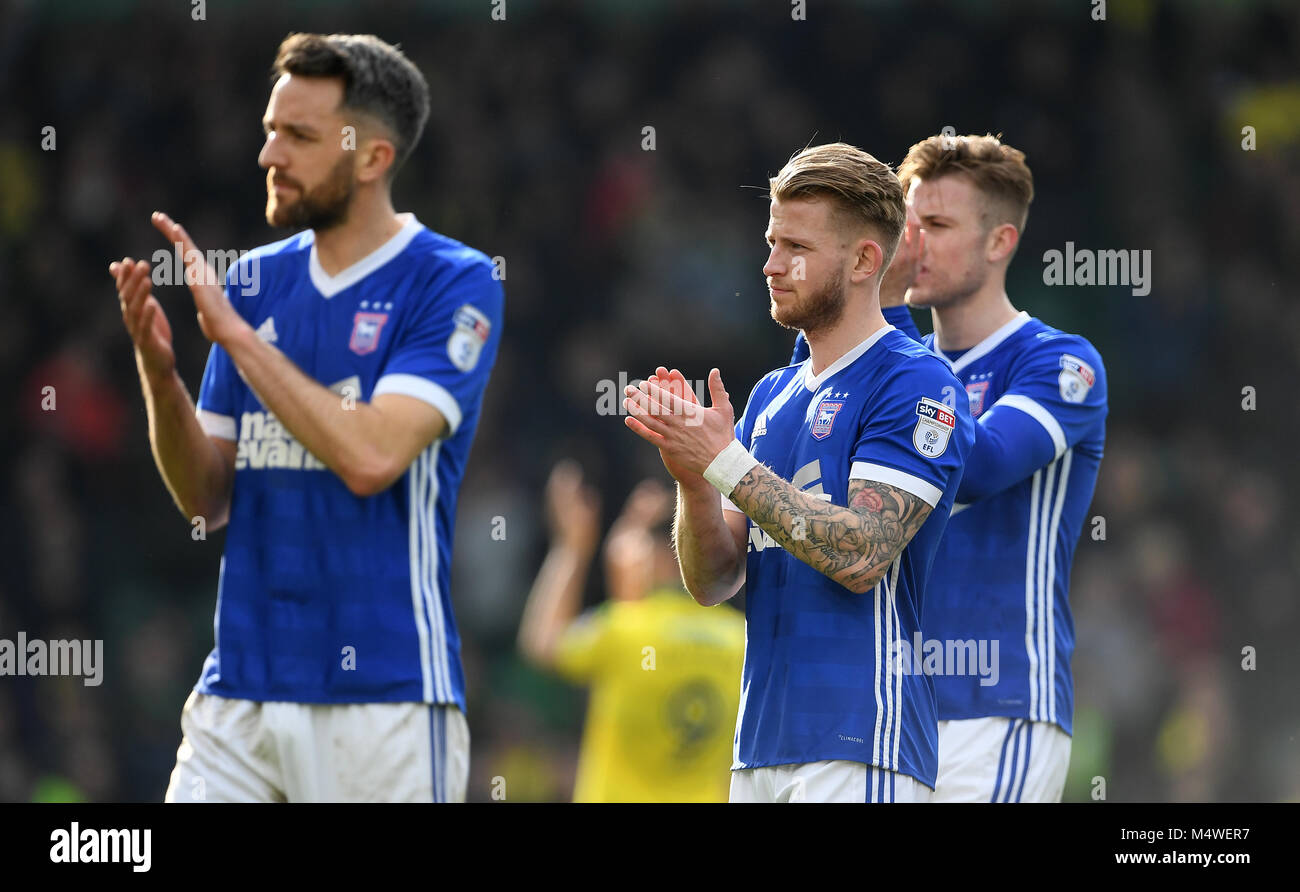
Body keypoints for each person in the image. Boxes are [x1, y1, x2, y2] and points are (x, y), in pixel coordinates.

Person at [109, 33, 502, 802]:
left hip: (384, 699)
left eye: (299, 136)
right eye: (268, 130)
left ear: (372, 158)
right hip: (240, 695)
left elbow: (371, 457)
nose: (269, 154)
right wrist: (160, 376)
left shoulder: (452, 282)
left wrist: (236, 340)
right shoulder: (252, 285)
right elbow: (204, 496)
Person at [623, 143, 973, 802]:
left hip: (864, 745)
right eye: (771, 241)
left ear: (866, 260)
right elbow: (714, 581)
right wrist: (694, 483)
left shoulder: (916, 381)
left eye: (795, 248)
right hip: (759, 749)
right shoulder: (770, 398)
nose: (770, 265)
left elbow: (865, 551)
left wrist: (724, 462)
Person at [793, 133, 1108, 801]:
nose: (914, 244)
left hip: (999, 708)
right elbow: (805, 451)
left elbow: (975, 469)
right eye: (907, 225)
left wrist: (893, 312)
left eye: (936, 225)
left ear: (999, 243)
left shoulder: (1059, 363)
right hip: (885, 711)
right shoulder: (890, 363)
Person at [517, 462, 745, 802]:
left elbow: (542, 644)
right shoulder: (741, 638)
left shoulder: (623, 630)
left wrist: (572, 546)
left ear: (658, 553)